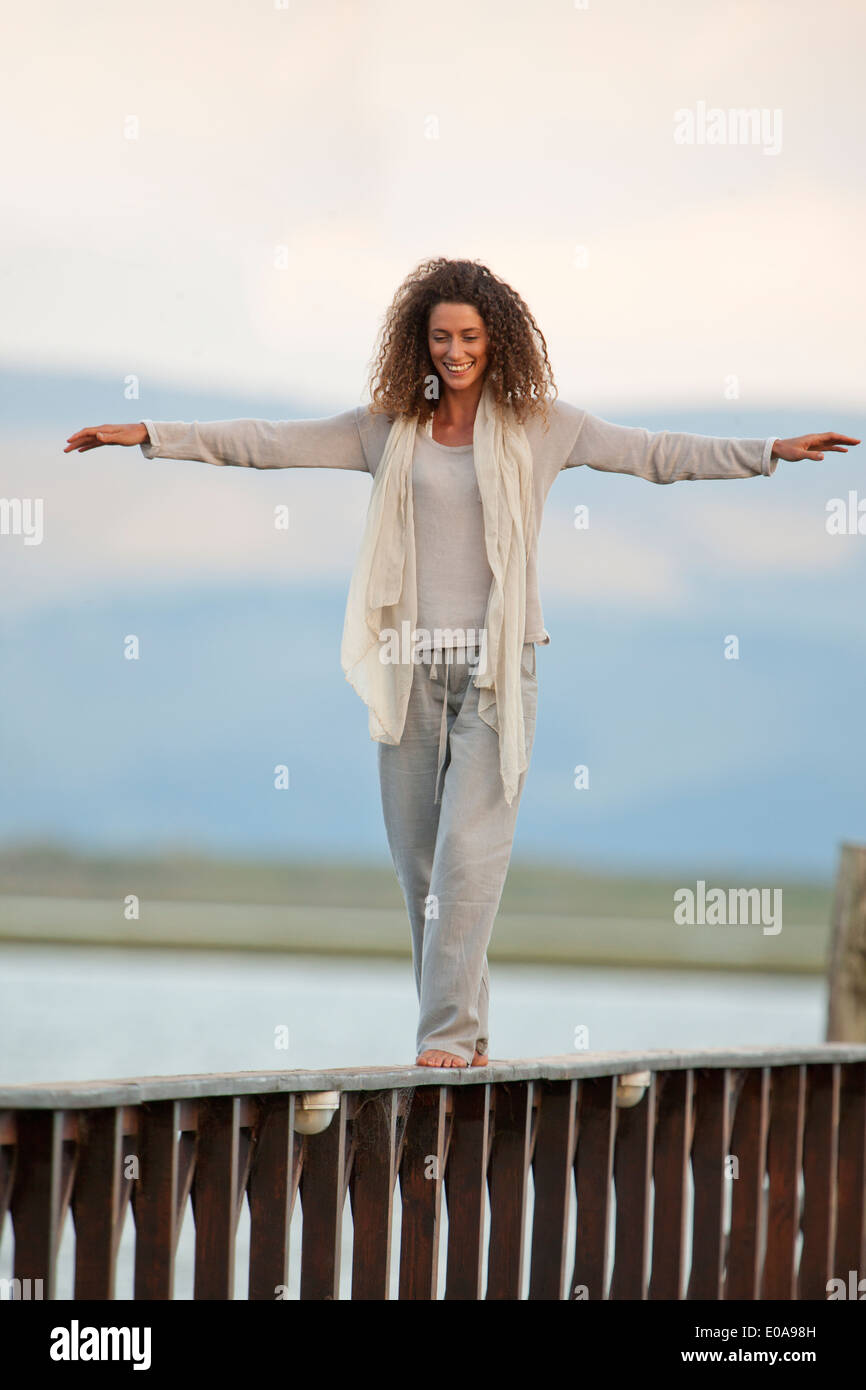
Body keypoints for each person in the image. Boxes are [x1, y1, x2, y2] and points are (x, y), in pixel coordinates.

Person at [64, 256, 859, 1070]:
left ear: (496, 339)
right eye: (441, 336)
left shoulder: (544, 426)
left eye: (469, 336)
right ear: (421, 340)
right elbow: (270, 444)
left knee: (464, 864)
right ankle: (469, 1036)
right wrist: (151, 436)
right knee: (421, 875)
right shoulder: (386, 428)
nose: (454, 350)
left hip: (494, 675)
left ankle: (442, 1043)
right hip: (406, 670)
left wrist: (767, 449)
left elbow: (654, 452)